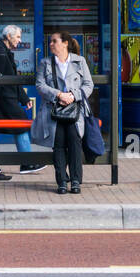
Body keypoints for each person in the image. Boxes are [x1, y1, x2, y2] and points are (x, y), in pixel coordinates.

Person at [32, 31, 93, 195]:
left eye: (54, 41)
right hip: (54, 111)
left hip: (74, 111)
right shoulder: (45, 63)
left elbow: (88, 85)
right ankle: (61, 181)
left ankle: (75, 181)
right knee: (58, 145)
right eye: (50, 41)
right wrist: (59, 94)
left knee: (74, 143)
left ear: (65, 43)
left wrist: (73, 96)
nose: (51, 44)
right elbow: (40, 85)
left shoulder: (80, 62)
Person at [0, 25, 44, 174]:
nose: (20, 40)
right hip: (4, 99)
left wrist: (24, 98)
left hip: (5, 98)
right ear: (8, 36)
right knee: (21, 123)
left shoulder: (4, 51)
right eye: (17, 37)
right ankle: (26, 163)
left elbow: (12, 77)